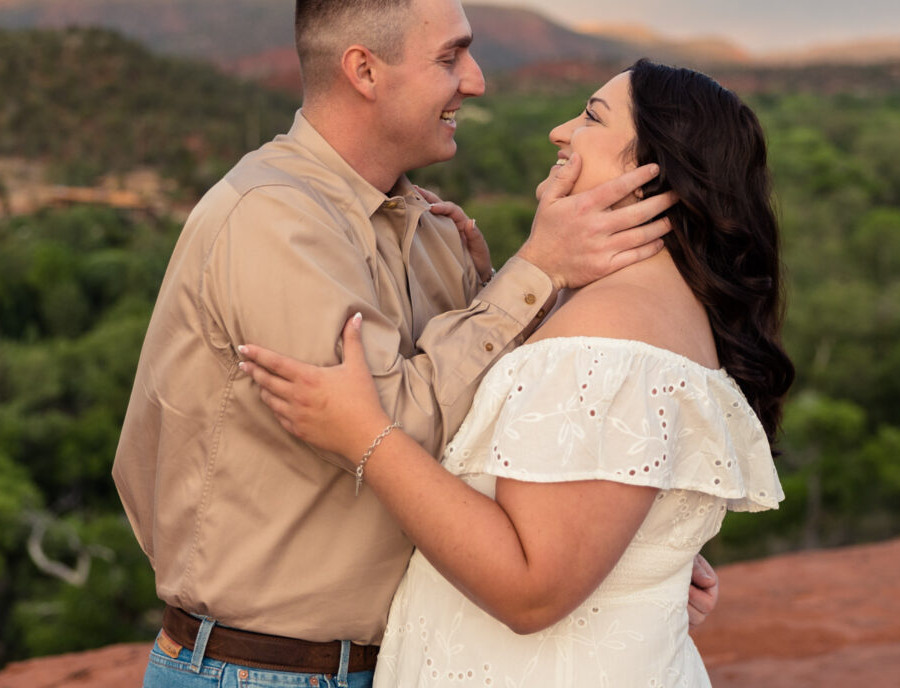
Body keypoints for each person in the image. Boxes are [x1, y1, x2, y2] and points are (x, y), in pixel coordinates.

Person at [112, 0, 713, 688]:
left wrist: (611, 533)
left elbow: (480, 437)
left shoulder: (431, 231)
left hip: (402, 661)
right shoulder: (273, 221)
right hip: (263, 672)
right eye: (450, 57)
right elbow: (382, 429)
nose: (478, 81)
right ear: (364, 69)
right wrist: (536, 271)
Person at [239, 59, 796, 686]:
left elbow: (530, 590)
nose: (561, 131)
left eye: (591, 116)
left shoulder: (605, 342)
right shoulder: (660, 312)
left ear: (653, 171)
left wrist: (366, 436)